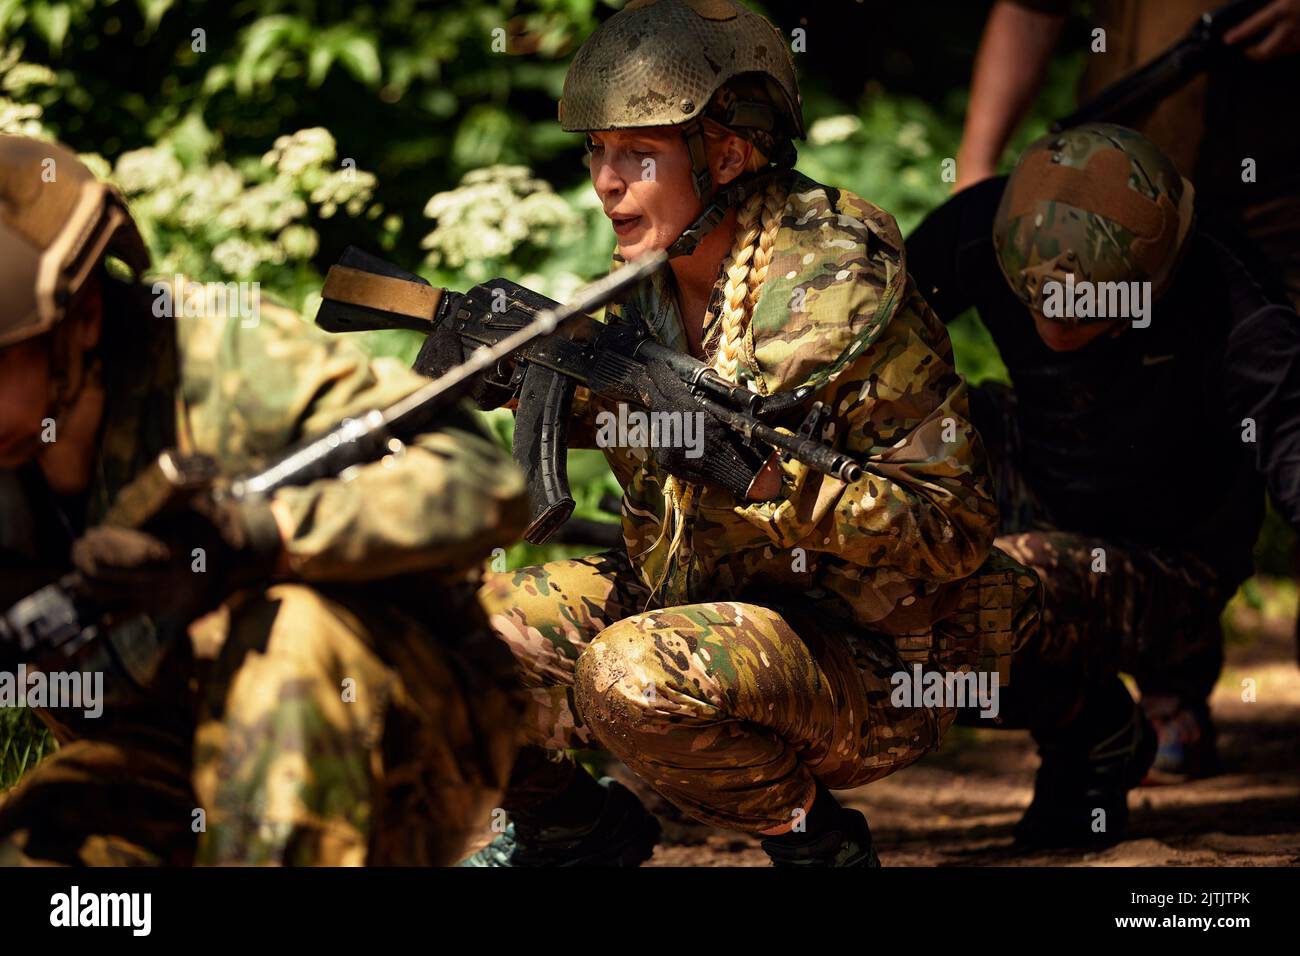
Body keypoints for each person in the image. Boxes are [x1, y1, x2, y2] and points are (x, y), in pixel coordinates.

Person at [429, 0, 1076, 868]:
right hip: (698, 605)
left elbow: (953, 527)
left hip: (870, 657)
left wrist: (773, 485)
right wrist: (525, 383)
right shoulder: (645, 287)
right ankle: (572, 829)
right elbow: (659, 430)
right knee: (440, 636)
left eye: (639, 155)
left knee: (630, 675)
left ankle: (815, 844)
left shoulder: (837, 295)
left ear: (727, 154)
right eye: (597, 151)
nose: (605, 182)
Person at [0, 133, 529, 865]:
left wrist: (264, 534)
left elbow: (479, 478)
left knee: (291, 635)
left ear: (81, 319)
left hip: (385, 732)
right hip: (163, 749)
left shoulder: (223, 352)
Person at [907, 124, 1300, 799]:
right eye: (1037, 306)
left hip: (1171, 558)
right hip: (1041, 474)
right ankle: (1091, 715)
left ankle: (1106, 720)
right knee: (861, 554)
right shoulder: (983, 230)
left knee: (964, 611)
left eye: (1086, 310)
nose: (1057, 328)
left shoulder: (1237, 307)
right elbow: (854, 335)